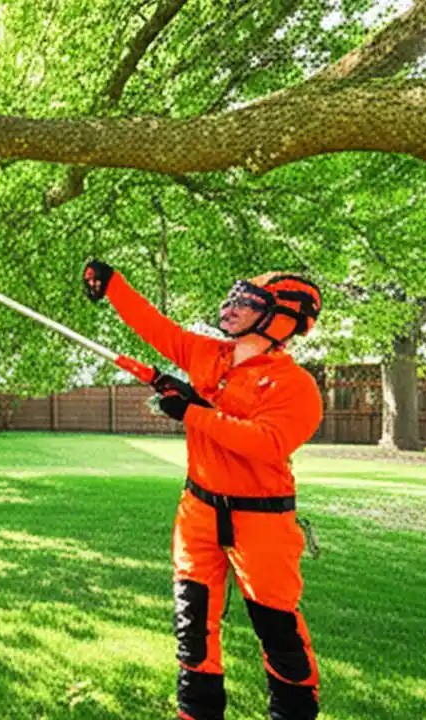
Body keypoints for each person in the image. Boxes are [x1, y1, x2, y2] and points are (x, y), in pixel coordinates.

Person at [82, 259, 325, 720]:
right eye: (233, 297)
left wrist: (191, 411)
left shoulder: (297, 387)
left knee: (277, 630)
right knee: (192, 626)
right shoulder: (206, 354)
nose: (231, 307)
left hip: (263, 522)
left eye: (248, 302)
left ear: (281, 319)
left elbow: (266, 444)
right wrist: (112, 283)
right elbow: (153, 325)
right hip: (198, 512)